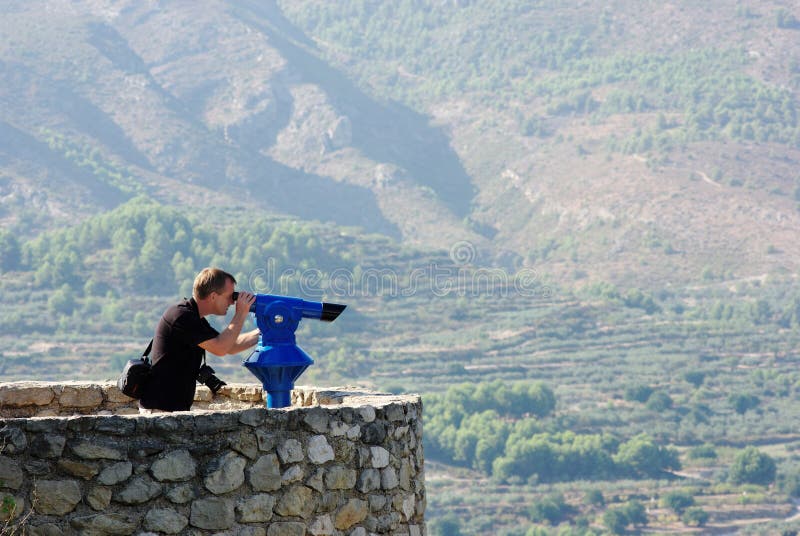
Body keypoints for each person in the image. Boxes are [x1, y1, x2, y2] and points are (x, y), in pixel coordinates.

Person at [139, 267, 259, 412]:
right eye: (229, 296)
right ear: (213, 296)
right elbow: (221, 348)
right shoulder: (182, 316)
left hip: (169, 409)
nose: (232, 302)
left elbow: (230, 346)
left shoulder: (195, 318)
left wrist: (265, 331)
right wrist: (241, 313)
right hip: (160, 409)